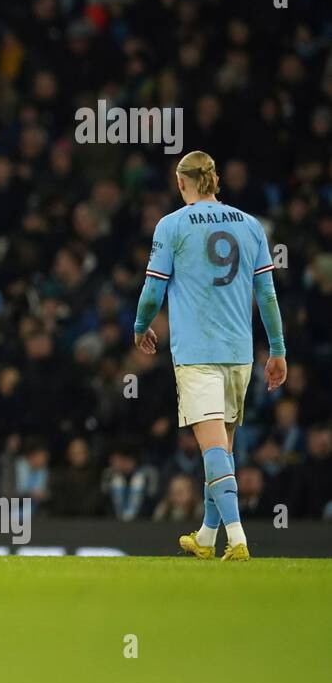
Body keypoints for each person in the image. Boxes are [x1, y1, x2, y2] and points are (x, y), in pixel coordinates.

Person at [134, 150, 286, 561]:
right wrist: (278, 349)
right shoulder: (250, 224)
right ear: (214, 180)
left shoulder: (173, 225)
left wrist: (139, 325)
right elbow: (267, 295)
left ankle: (237, 538)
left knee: (212, 449)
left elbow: (153, 291)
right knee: (220, 449)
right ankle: (206, 535)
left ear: (181, 182)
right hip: (239, 354)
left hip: (198, 353)